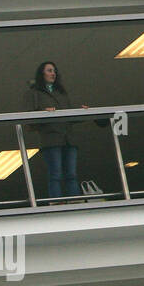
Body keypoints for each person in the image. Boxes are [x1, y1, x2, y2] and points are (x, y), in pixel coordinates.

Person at [23, 61, 88, 201]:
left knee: (71, 174)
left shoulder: (61, 92)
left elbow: (68, 115)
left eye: (54, 71)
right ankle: (56, 202)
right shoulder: (34, 93)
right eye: (49, 70)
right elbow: (28, 116)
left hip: (68, 138)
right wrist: (43, 112)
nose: (53, 73)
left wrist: (81, 112)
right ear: (42, 73)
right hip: (51, 139)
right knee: (55, 174)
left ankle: (75, 201)